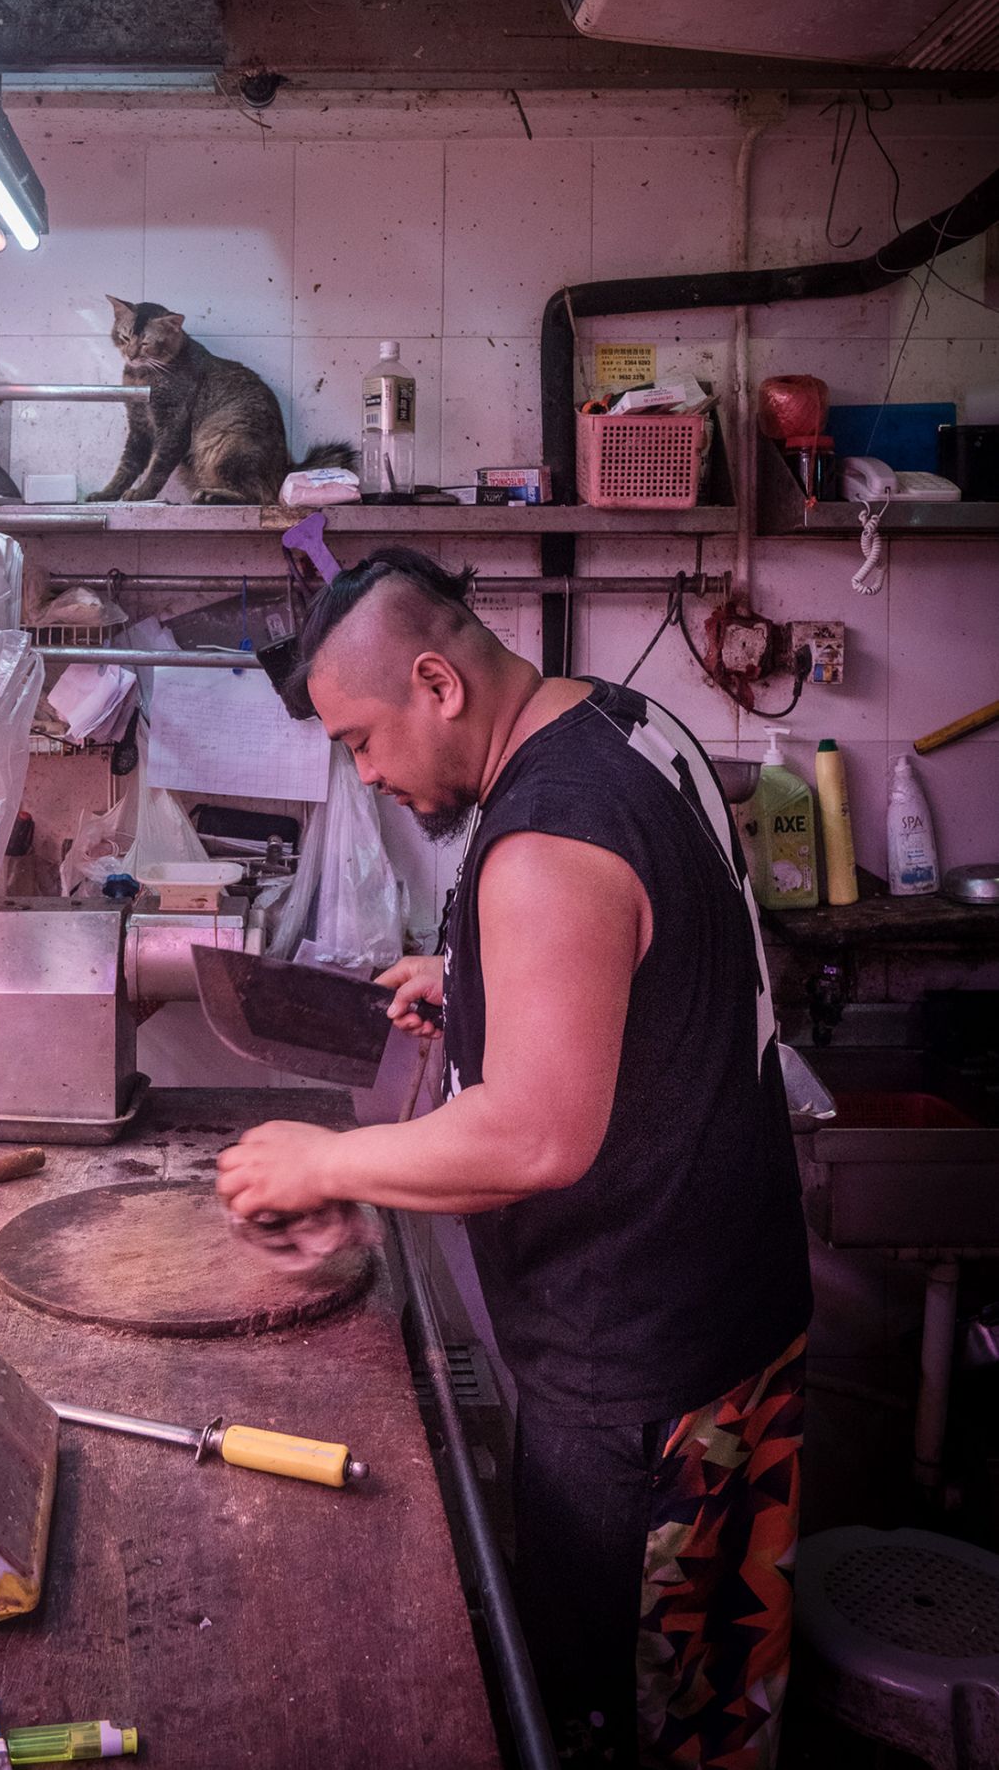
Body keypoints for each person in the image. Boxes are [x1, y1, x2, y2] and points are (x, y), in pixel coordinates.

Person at [215, 548, 811, 1770]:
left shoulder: (545, 840)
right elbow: (661, 948)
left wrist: (331, 1160)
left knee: (625, 1716)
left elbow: (538, 1133)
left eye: (364, 740)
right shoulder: (630, 722)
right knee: (725, 1691)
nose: (367, 775)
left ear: (437, 680)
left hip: (639, 1378)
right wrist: (481, 982)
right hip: (742, 1319)